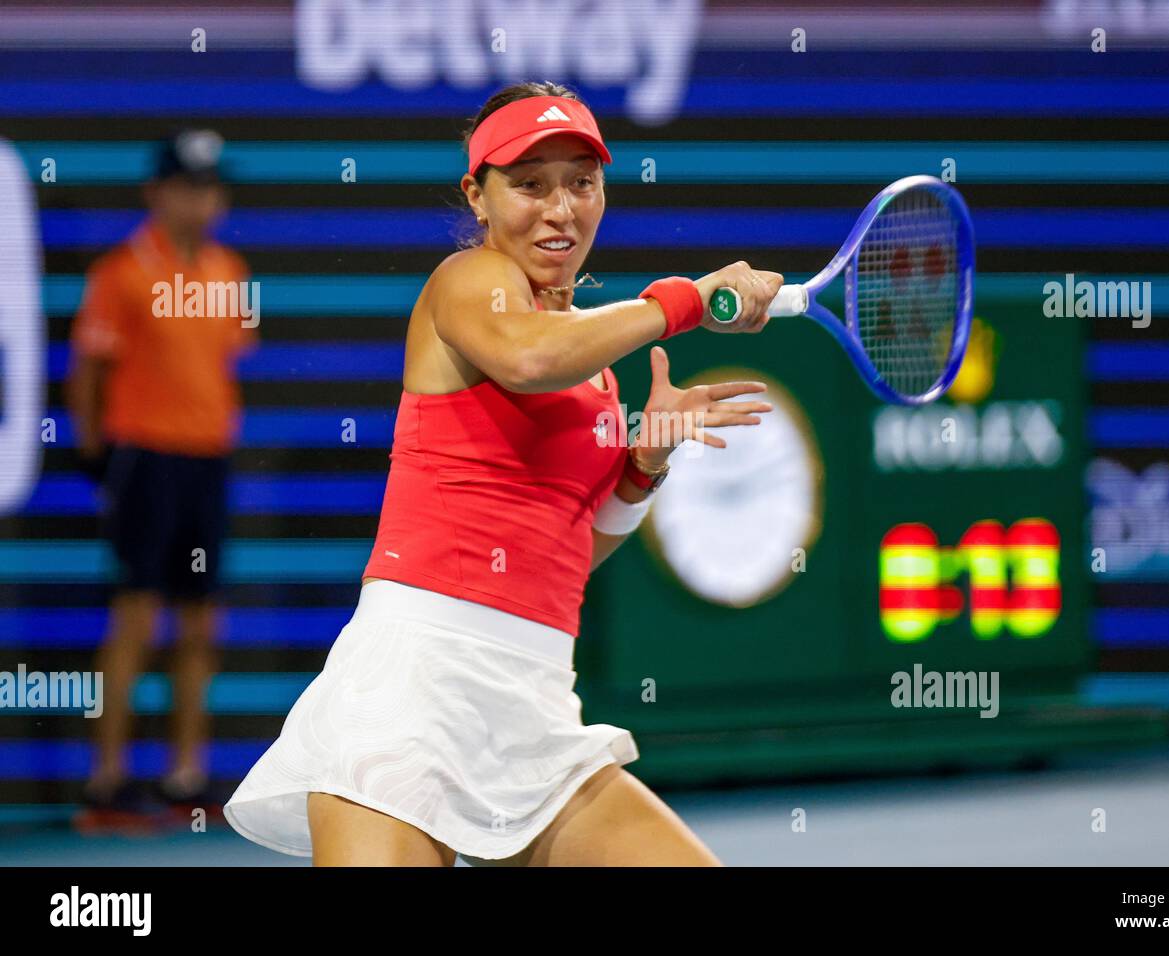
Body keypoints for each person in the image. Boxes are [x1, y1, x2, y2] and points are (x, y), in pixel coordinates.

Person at [223, 81, 782, 866]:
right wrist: (689, 298)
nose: (561, 208)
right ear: (476, 197)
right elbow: (527, 356)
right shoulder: (467, 282)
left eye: (581, 183)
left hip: (534, 707)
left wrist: (644, 467)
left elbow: (566, 559)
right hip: (408, 698)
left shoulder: (594, 369)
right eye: (530, 184)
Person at [65, 129, 257, 825]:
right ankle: (106, 782)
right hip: (144, 460)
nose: (202, 200)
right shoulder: (121, 273)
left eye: (211, 187)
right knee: (137, 618)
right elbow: (86, 374)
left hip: (207, 460)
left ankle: (184, 777)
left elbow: (223, 358)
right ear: (157, 193)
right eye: (188, 186)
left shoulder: (229, 271)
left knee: (202, 621)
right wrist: (97, 459)